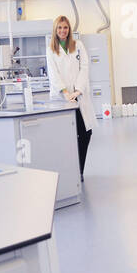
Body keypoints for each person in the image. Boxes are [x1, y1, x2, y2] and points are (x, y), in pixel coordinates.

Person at [46, 15, 93, 178]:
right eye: (59, 27)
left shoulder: (78, 45)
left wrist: (78, 91)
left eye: (65, 27)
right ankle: (68, 171)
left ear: (69, 29)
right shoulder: (51, 49)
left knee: (86, 133)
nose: (62, 31)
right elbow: (53, 74)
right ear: (55, 30)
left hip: (78, 96)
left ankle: (79, 169)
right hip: (62, 99)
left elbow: (85, 67)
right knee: (65, 136)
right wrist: (66, 93)